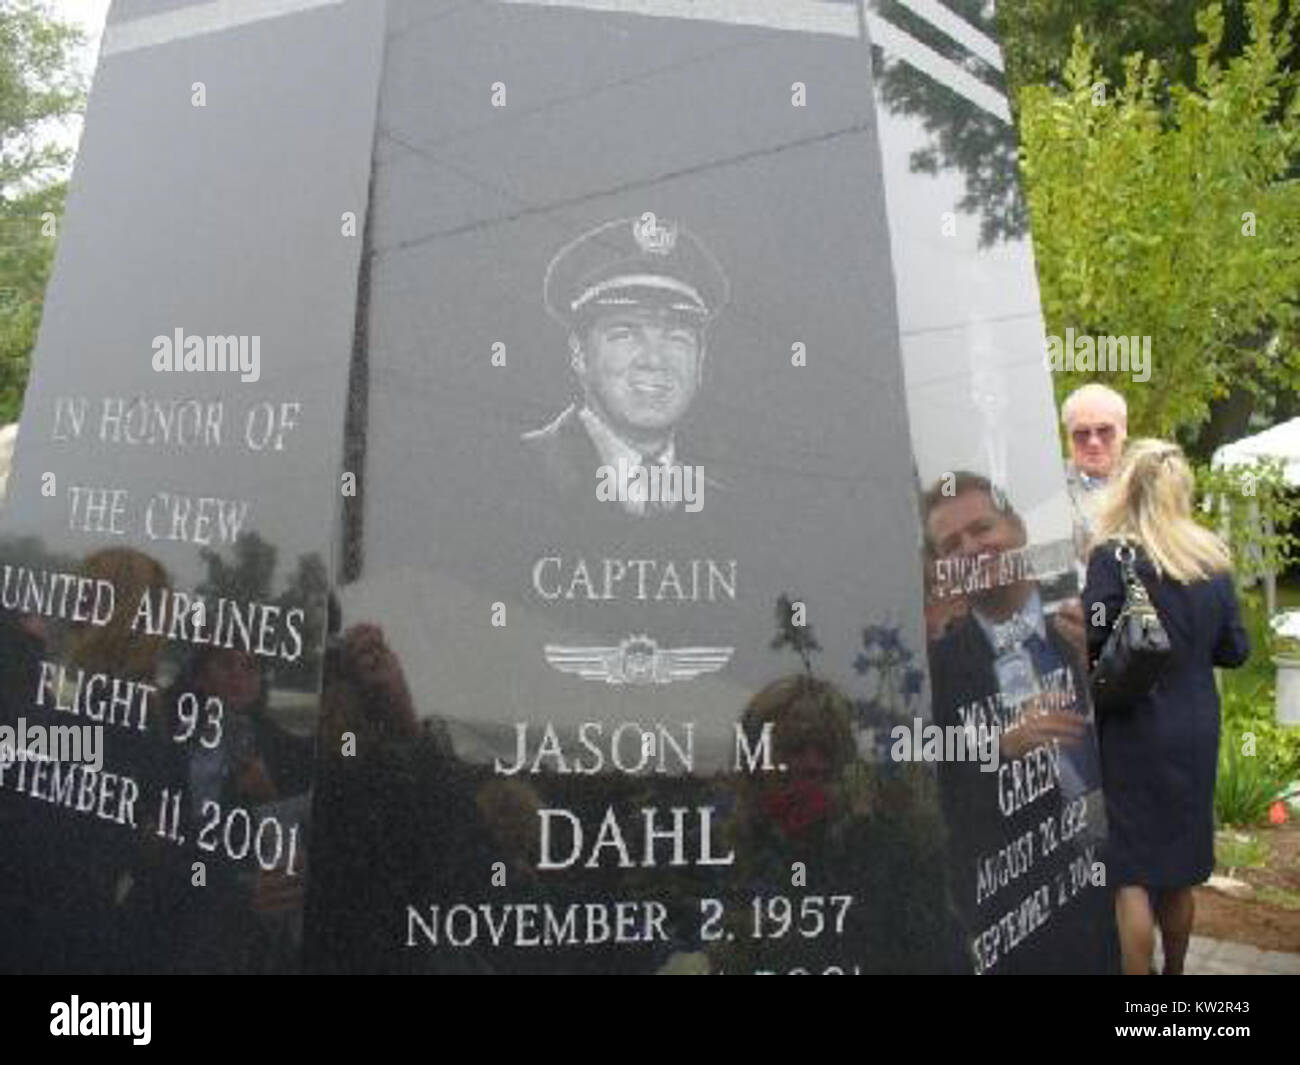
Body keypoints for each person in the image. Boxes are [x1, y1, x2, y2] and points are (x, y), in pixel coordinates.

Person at [923, 472, 1110, 972]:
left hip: (1117, 873)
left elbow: (1158, 726)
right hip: (1021, 907)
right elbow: (916, 753)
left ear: (1018, 530)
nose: (971, 548)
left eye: (982, 529)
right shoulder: (936, 668)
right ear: (942, 565)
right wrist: (998, 744)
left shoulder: (1087, 619)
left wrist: (1106, 672)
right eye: (951, 543)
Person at [1083, 439, 1250, 975]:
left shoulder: (1114, 557)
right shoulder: (1212, 561)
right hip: (1196, 729)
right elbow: (1236, 650)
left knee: (1130, 874)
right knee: (1179, 870)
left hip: (1133, 730)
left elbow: (1095, 638)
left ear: (1124, 489)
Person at [521, 214, 729, 519]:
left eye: (676, 337)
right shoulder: (519, 471)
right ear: (579, 353)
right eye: (626, 334)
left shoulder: (727, 504)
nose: (654, 360)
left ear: (700, 359)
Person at [1062, 383, 1128, 563]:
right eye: (1082, 433)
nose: (1093, 442)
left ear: (1123, 431)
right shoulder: (1051, 491)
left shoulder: (1148, 482)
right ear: (1068, 438)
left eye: (1104, 431)